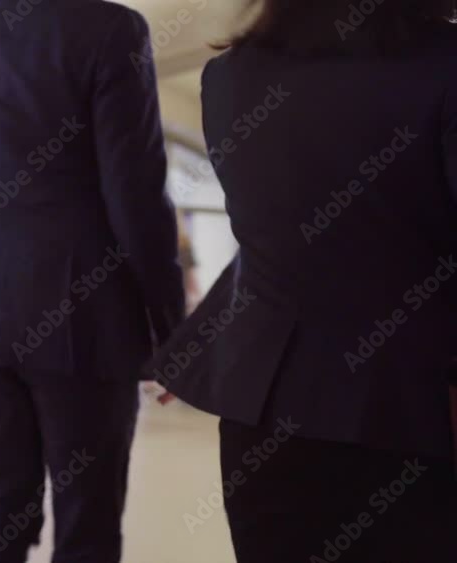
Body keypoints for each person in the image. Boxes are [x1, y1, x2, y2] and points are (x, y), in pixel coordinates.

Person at [147, 2, 457, 561]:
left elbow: (282, 239)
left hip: (266, 415)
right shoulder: (442, 65)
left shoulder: (229, 76)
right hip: (416, 409)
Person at [0, 2, 185, 561]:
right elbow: (135, 195)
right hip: (79, 322)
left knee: (2, 508)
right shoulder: (112, 29)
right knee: (87, 518)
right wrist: (172, 329)